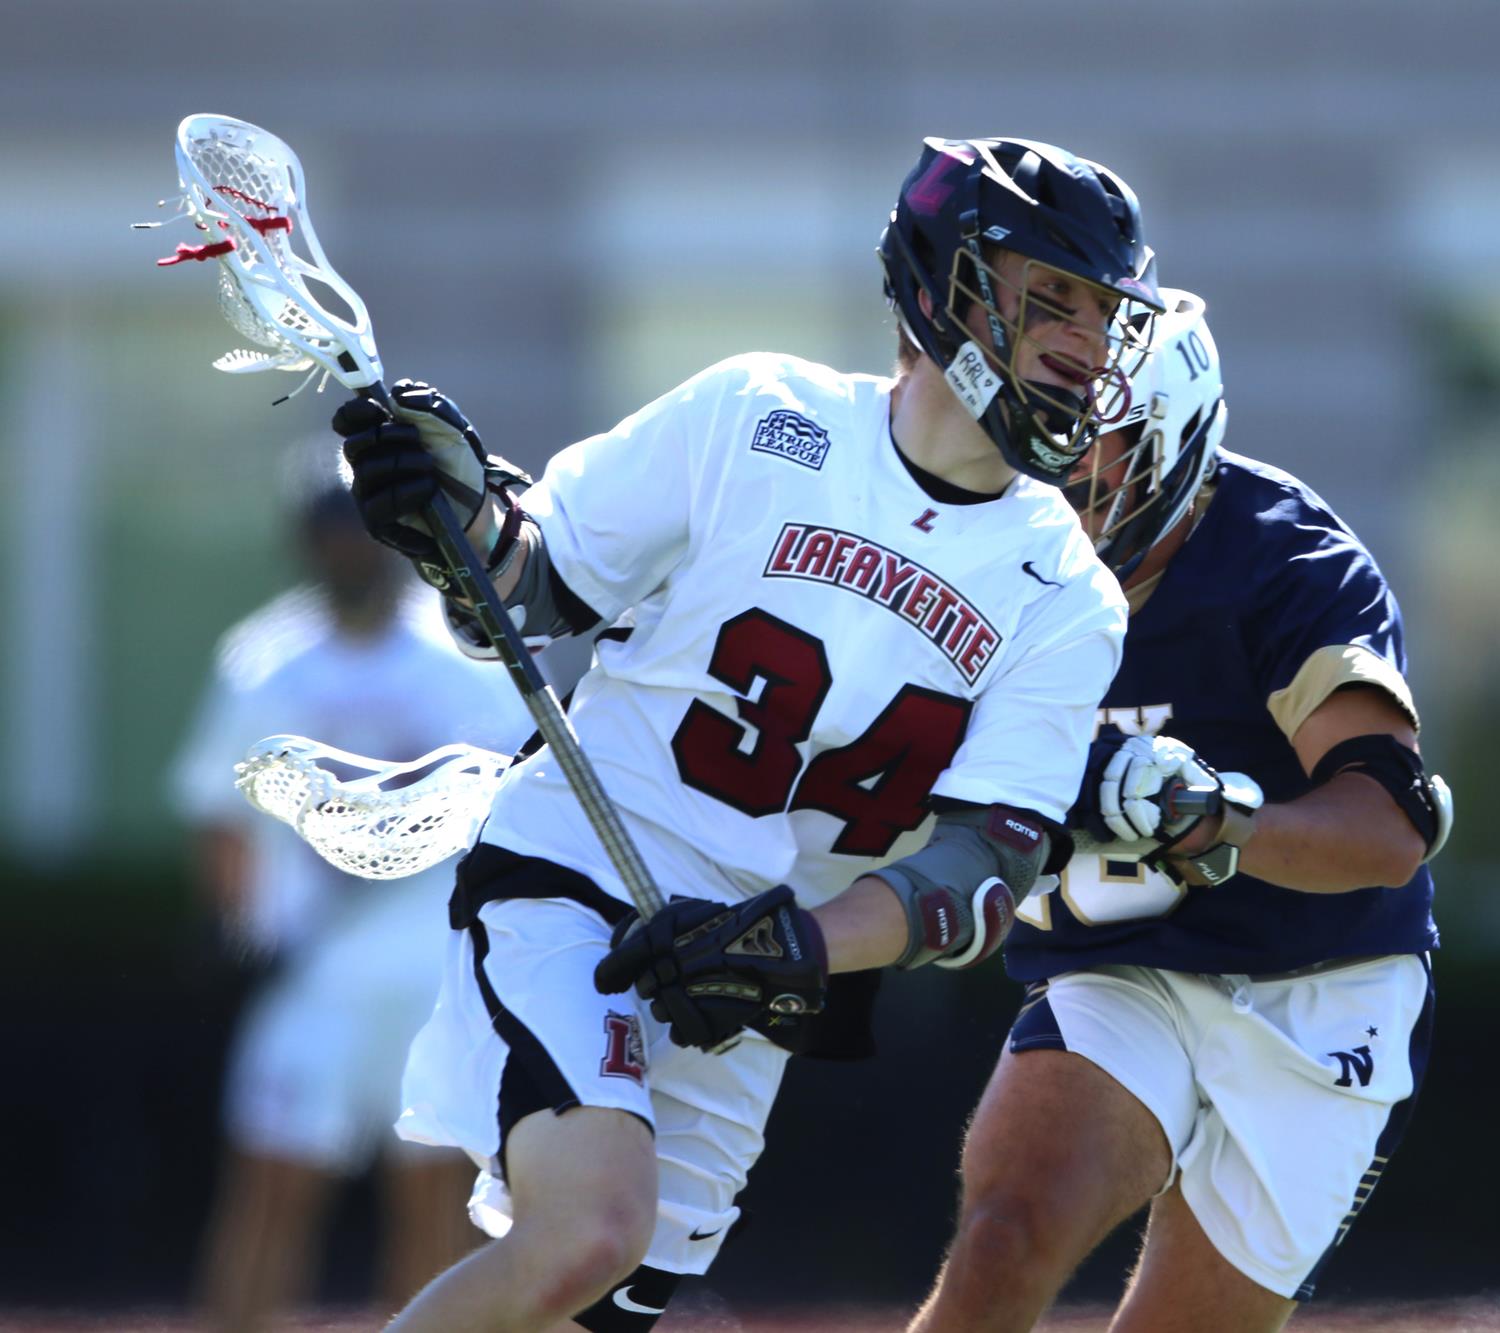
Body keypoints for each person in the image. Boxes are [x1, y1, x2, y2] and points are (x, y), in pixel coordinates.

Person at [331, 136, 1164, 1332]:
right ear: (947, 284)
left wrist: (793, 951)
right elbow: (539, 585)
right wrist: (447, 517)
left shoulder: (1063, 591)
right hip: (577, 881)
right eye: (1052, 300)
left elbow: (984, 866)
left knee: (598, 1308)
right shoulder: (753, 415)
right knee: (587, 1237)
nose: (1084, 346)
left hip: (755, 976)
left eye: (1101, 315)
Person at [908, 293, 1453, 1333]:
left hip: (1319, 989)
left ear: (1172, 438)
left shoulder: (1282, 563)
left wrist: (1216, 819)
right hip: (1118, 965)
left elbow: (1383, 832)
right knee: (1004, 1234)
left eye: (1090, 438)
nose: (1057, 467)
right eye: (1037, 423)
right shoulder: (974, 553)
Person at [169, 475, 530, 1331]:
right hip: (311, 974)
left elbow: (517, 796)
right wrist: (237, 927)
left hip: (429, 975)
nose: (350, 557)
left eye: (365, 539)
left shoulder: (457, 656)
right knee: (272, 1187)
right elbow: (217, 810)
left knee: (435, 1196)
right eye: (333, 540)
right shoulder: (267, 659)